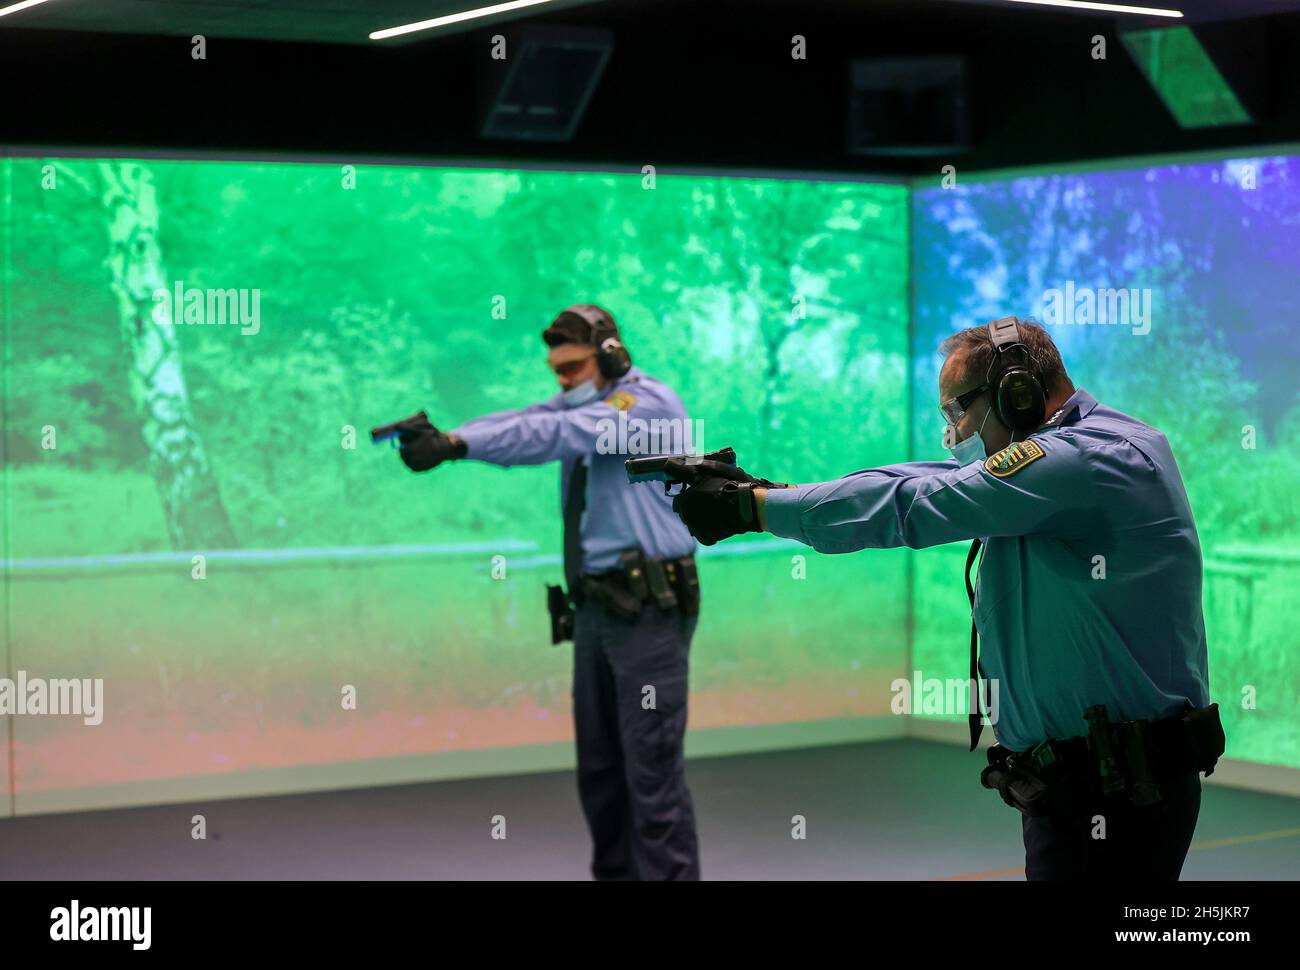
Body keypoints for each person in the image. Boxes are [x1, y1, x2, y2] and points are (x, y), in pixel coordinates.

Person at [665, 316, 1225, 881]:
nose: (954, 430)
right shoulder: (1078, 451)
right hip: (1091, 784)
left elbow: (917, 503)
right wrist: (771, 494)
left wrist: (751, 509)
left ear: (1017, 392)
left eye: (959, 410)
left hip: (1116, 795)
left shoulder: (1084, 459)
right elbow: (909, 482)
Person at [393, 304, 702, 881]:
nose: (561, 380)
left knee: (651, 775)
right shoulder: (581, 403)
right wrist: (451, 437)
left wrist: (457, 448)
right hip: (596, 608)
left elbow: (557, 432)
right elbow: (524, 420)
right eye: (555, 370)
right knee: (602, 774)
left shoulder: (647, 405)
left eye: (574, 367)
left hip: (649, 613)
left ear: (611, 356)